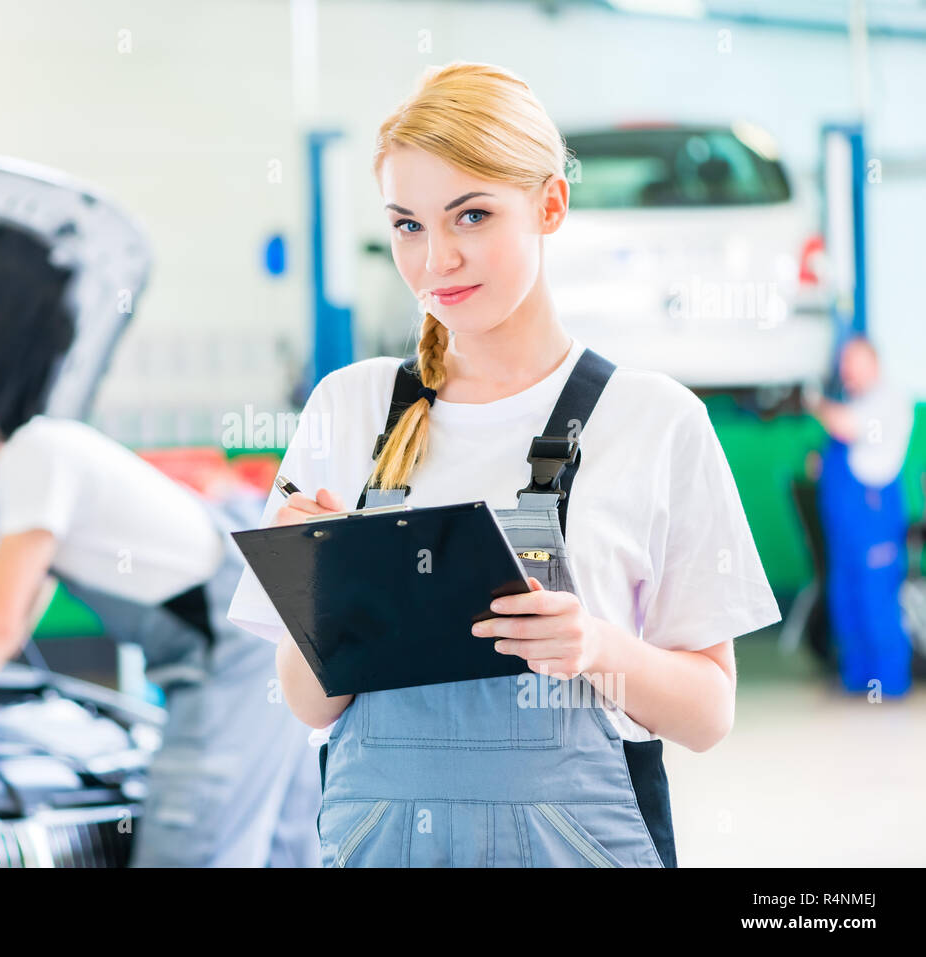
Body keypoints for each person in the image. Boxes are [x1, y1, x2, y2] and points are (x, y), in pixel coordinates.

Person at [226, 62, 782, 868]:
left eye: (472, 215)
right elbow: (313, 708)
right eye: (408, 225)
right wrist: (319, 591)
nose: (436, 259)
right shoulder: (348, 412)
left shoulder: (654, 421)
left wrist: (593, 646)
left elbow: (708, 713)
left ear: (551, 204)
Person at [0, 376, 321, 867]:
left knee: (189, 849)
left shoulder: (33, 456)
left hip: (236, 654)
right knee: (285, 852)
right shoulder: (36, 487)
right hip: (262, 642)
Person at [806, 335, 914, 696]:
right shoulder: (860, 400)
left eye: (853, 361)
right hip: (849, 523)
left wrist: (813, 400)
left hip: (873, 515)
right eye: (843, 362)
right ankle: (859, 680)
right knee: (847, 594)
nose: (845, 369)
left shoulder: (888, 399)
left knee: (875, 597)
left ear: (874, 363)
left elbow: (849, 427)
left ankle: (887, 684)